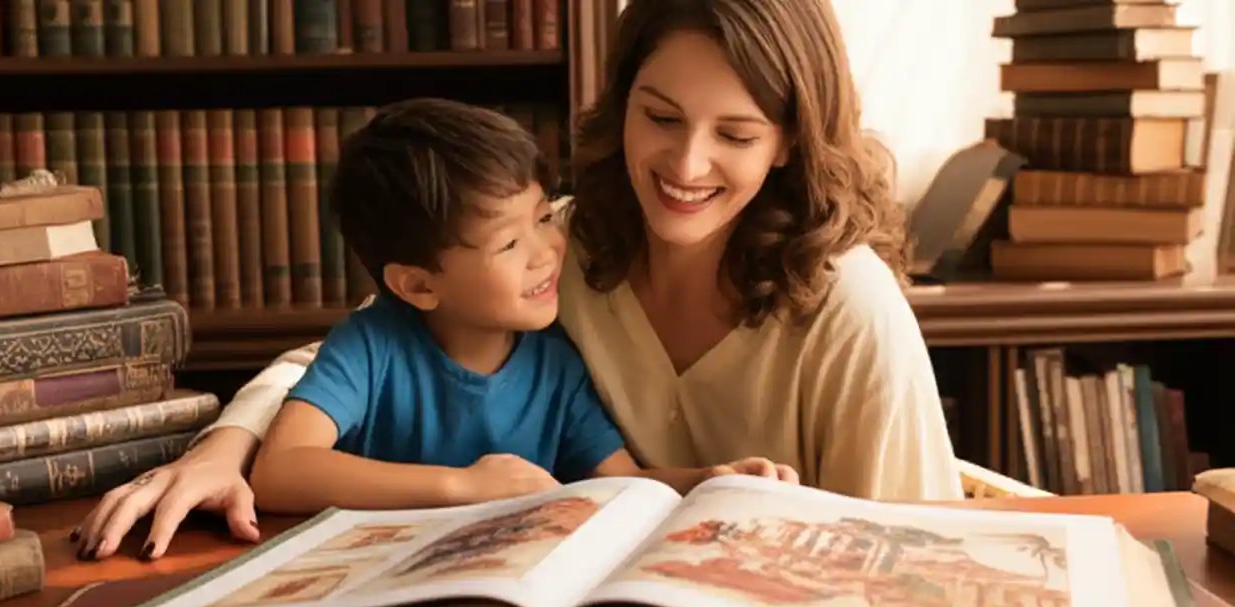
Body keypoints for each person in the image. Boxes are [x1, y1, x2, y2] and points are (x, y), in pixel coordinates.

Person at [73, 0, 963, 562]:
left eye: (735, 135)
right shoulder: (559, 246)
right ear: (623, 105)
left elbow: (920, 552)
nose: (686, 164)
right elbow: (356, 346)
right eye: (660, 116)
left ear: (790, 144)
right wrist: (220, 451)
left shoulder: (846, 301)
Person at [245, 98, 792, 518]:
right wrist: (461, 486)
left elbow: (622, 480)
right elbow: (280, 470)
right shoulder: (372, 346)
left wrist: (709, 479)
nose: (547, 252)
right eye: (509, 244)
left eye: (544, 217)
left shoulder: (557, 366)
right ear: (417, 284)